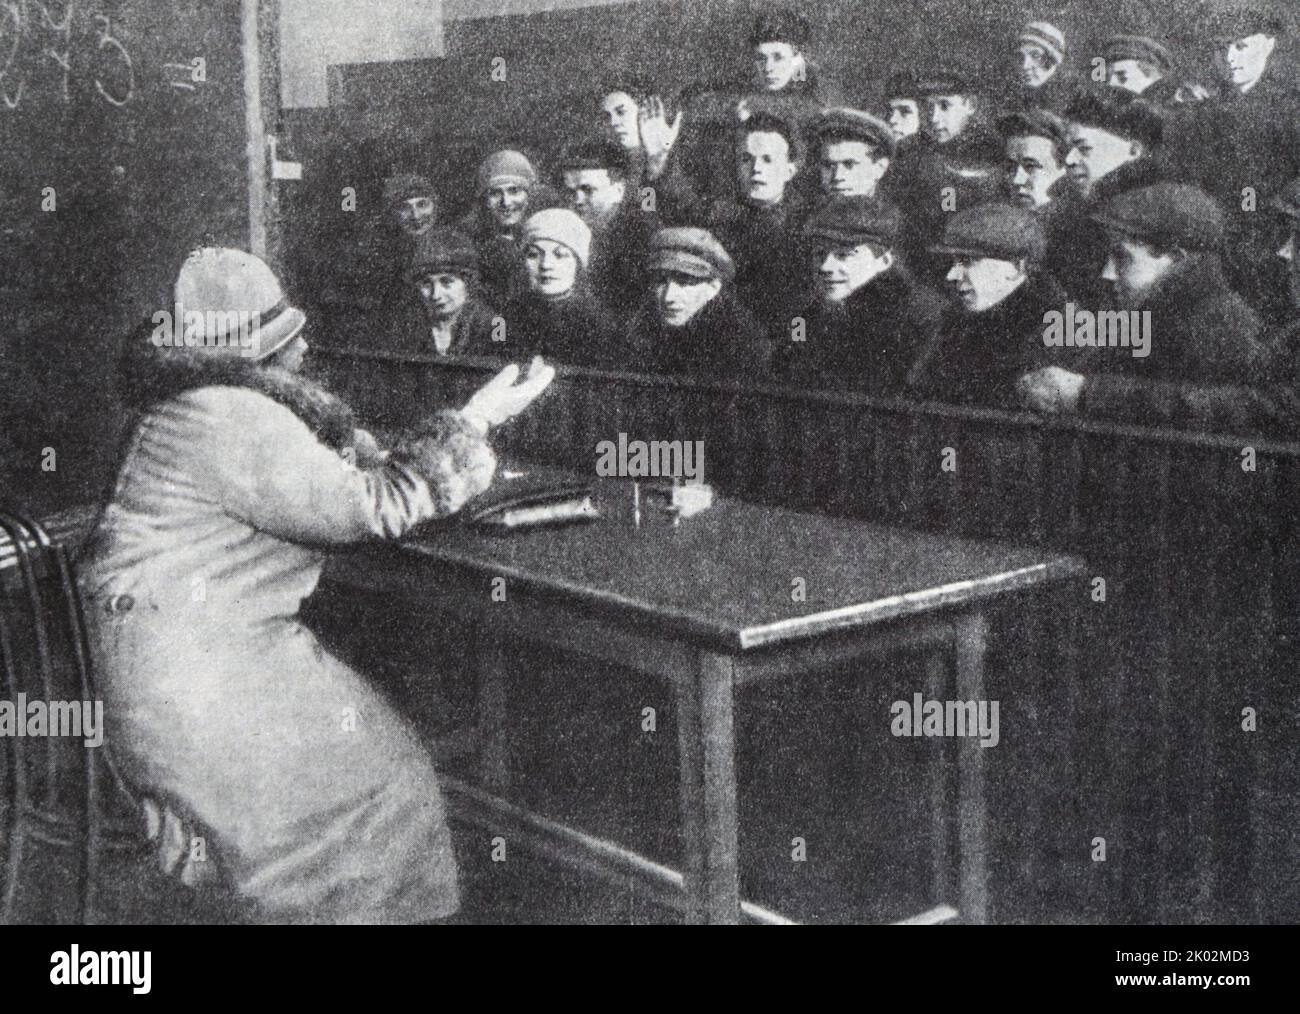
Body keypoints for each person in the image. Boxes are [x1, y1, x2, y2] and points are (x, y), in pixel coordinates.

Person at [78, 247, 555, 924]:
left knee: (362, 759)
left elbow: (308, 466)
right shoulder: (232, 416)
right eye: (289, 336)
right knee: (390, 778)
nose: (304, 345)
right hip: (198, 680)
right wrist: (476, 420)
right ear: (264, 355)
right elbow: (377, 506)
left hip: (155, 667)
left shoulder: (187, 406)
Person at [1019, 183, 1275, 431]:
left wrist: (1087, 393)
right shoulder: (1148, 313)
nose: (1107, 274)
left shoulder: (1217, 323)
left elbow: (1203, 414)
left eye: (1122, 257)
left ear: (1175, 259)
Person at [773, 196, 943, 395]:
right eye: (820, 253)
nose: (826, 267)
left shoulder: (918, 318)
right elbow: (781, 373)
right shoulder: (805, 317)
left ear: (884, 261)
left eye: (844, 255)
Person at [907, 204, 1070, 408]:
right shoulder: (954, 325)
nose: (952, 275)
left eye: (968, 261)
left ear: (1017, 267)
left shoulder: (1063, 332)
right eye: (954, 262)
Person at [621, 226, 768, 379]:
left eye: (683, 282)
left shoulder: (740, 345)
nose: (668, 296)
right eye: (661, 281)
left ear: (713, 288)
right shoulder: (638, 330)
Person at [502, 208, 620, 365]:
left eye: (560, 255)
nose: (545, 265)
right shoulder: (506, 316)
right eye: (533, 255)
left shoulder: (598, 323)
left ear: (578, 264)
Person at [559, 140, 658, 312]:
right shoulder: (564, 232)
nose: (577, 200)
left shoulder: (640, 240)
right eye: (570, 192)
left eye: (588, 190)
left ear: (618, 191)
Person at [455, 150, 562, 307]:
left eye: (514, 191)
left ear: (529, 195)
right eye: (495, 193)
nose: (506, 202)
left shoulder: (547, 233)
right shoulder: (468, 243)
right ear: (484, 199)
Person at [386, 227, 502, 358]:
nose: (436, 295)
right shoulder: (405, 326)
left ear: (468, 283)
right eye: (426, 283)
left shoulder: (494, 325)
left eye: (446, 282)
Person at [809, 107, 897, 202]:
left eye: (849, 164)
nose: (837, 176)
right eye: (828, 165)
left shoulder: (892, 216)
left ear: (879, 168)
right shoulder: (806, 215)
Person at [1009, 20, 1071, 112]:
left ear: (1052, 61)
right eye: (1020, 56)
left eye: (1036, 56)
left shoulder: (1074, 105)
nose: (1024, 66)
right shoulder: (1010, 97)